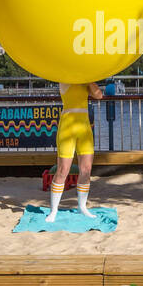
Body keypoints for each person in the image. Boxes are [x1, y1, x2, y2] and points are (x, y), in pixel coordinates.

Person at [47, 81, 104, 222]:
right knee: (63, 169)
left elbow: (99, 96)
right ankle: (53, 210)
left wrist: (90, 80)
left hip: (84, 128)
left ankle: (82, 207)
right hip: (67, 128)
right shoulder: (65, 78)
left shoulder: (86, 82)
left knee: (86, 169)